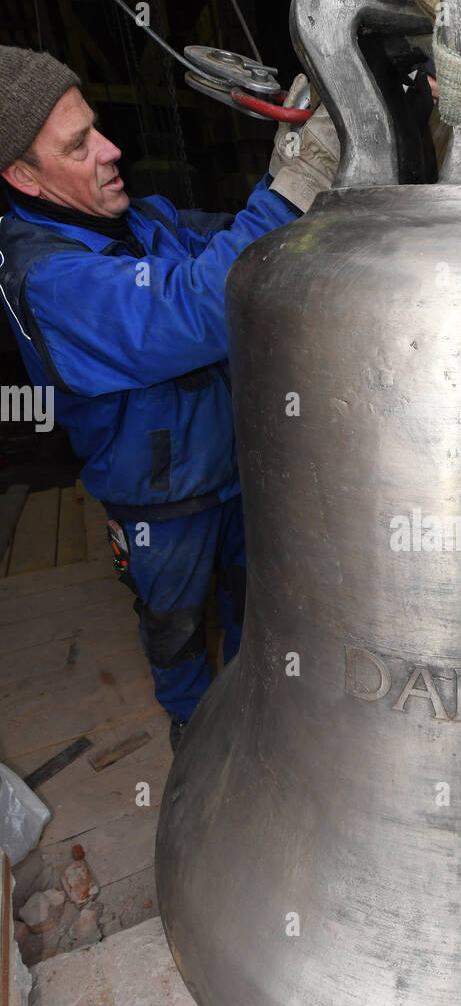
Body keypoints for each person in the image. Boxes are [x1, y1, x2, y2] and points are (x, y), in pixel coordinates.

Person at [0, 47, 338, 750]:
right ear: (21, 177)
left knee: (253, 598)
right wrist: (299, 179)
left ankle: (257, 702)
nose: (111, 150)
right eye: (79, 145)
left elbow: (247, 246)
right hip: (160, 501)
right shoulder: (52, 280)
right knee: (176, 621)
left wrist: (288, 174)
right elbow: (199, 308)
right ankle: (192, 723)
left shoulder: (141, 219)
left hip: (229, 470)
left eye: (96, 127)